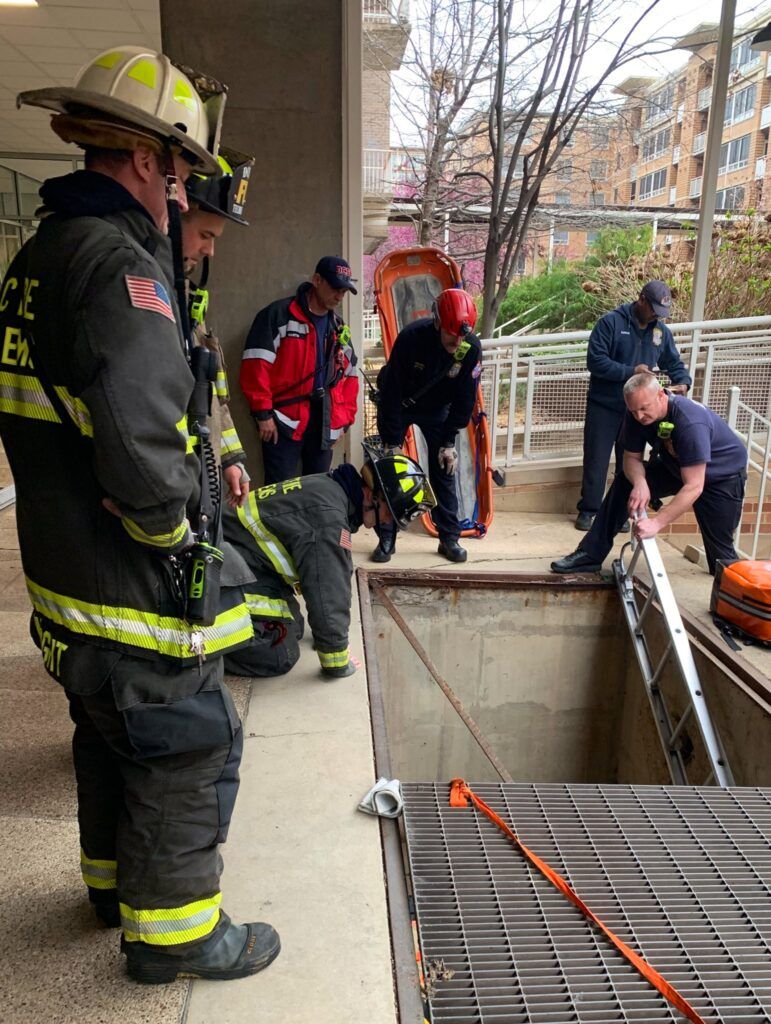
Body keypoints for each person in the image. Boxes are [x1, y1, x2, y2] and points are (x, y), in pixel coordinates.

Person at [0, 47, 280, 984]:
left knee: (107, 728)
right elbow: (144, 449)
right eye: (183, 169)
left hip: (62, 570)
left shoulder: (36, 257)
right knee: (186, 739)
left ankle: (110, 886)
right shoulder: (120, 271)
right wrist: (175, 542)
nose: (186, 191)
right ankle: (176, 936)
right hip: (127, 575)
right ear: (154, 160)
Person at [222, 444, 436, 678]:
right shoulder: (328, 520)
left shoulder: (330, 488)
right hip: (226, 570)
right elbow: (328, 588)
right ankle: (202, 652)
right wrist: (336, 658)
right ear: (373, 494)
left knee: (292, 624)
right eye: (388, 514)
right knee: (280, 653)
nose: (383, 523)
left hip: (242, 559)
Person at [551, 373, 747, 576]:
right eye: (634, 410)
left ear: (661, 395)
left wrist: (656, 522)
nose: (639, 416)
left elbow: (694, 486)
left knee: (720, 555)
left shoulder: (690, 422)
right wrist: (640, 482)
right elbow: (631, 458)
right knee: (624, 483)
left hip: (722, 476)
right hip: (677, 466)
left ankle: (734, 599)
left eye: (644, 408)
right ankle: (590, 554)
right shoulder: (635, 413)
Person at [373, 287, 481, 564]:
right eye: (450, 335)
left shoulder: (470, 347)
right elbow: (391, 391)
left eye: (462, 337)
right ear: (437, 323)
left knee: (444, 468)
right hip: (401, 404)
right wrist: (392, 442)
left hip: (437, 410)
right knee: (392, 471)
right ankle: (387, 536)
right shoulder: (411, 338)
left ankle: (449, 537)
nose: (457, 343)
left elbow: (465, 396)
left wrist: (449, 441)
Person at [575, 280, 691, 532]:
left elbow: (674, 362)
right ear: (641, 300)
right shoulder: (611, 323)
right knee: (596, 457)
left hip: (637, 412)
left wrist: (683, 381)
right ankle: (589, 510)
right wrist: (631, 371)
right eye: (653, 311)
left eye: (660, 314)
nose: (655, 317)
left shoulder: (660, 332)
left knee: (629, 460)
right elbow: (595, 362)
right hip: (605, 405)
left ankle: (618, 512)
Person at [240, 256, 359, 483]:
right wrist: (263, 414)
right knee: (278, 491)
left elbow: (350, 377)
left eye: (344, 291)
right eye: (335, 288)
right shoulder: (279, 316)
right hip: (283, 421)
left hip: (323, 423)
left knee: (316, 490)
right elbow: (255, 365)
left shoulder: (339, 327)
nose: (339, 296)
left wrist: (342, 423)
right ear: (317, 280)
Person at [183, 150, 253, 508]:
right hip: (175, 491)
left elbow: (211, 394)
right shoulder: (146, 297)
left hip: (196, 484)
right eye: (205, 234)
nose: (209, 250)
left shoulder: (185, 303)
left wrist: (230, 459)